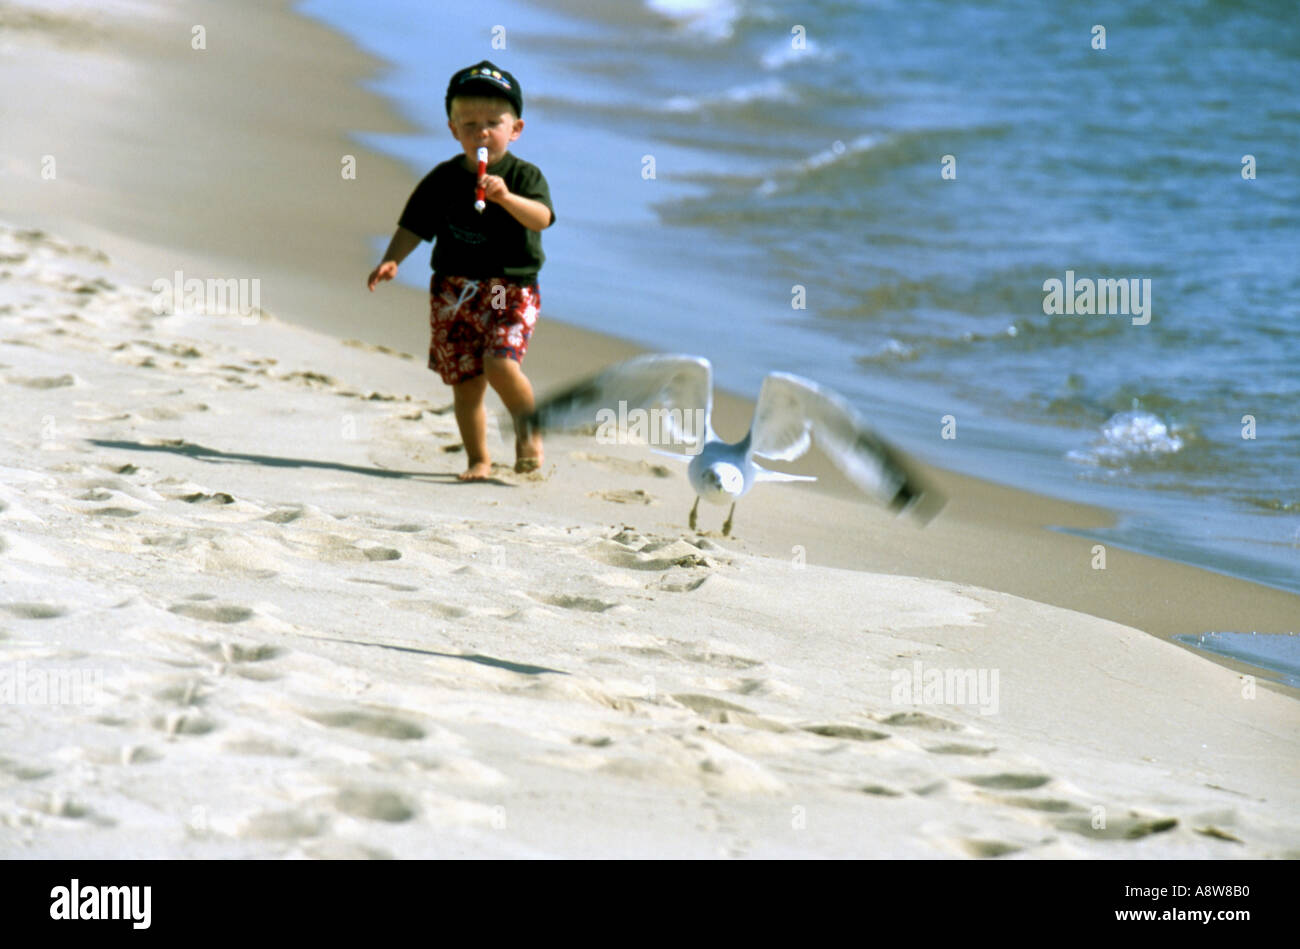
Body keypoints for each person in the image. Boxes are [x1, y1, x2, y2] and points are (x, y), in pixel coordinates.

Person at [368, 60, 555, 480]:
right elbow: (414, 224)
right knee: (466, 385)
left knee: (500, 364)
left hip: (510, 286)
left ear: (516, 129)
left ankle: (529, 433)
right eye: (469, 124)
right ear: (453, 130)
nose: (481, 132)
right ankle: (478, 459)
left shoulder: (524, 176)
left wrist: (507, 198)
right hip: (453, 289)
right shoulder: (443, 179)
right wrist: (392, 259)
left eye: (493, 122)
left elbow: (541, 218)